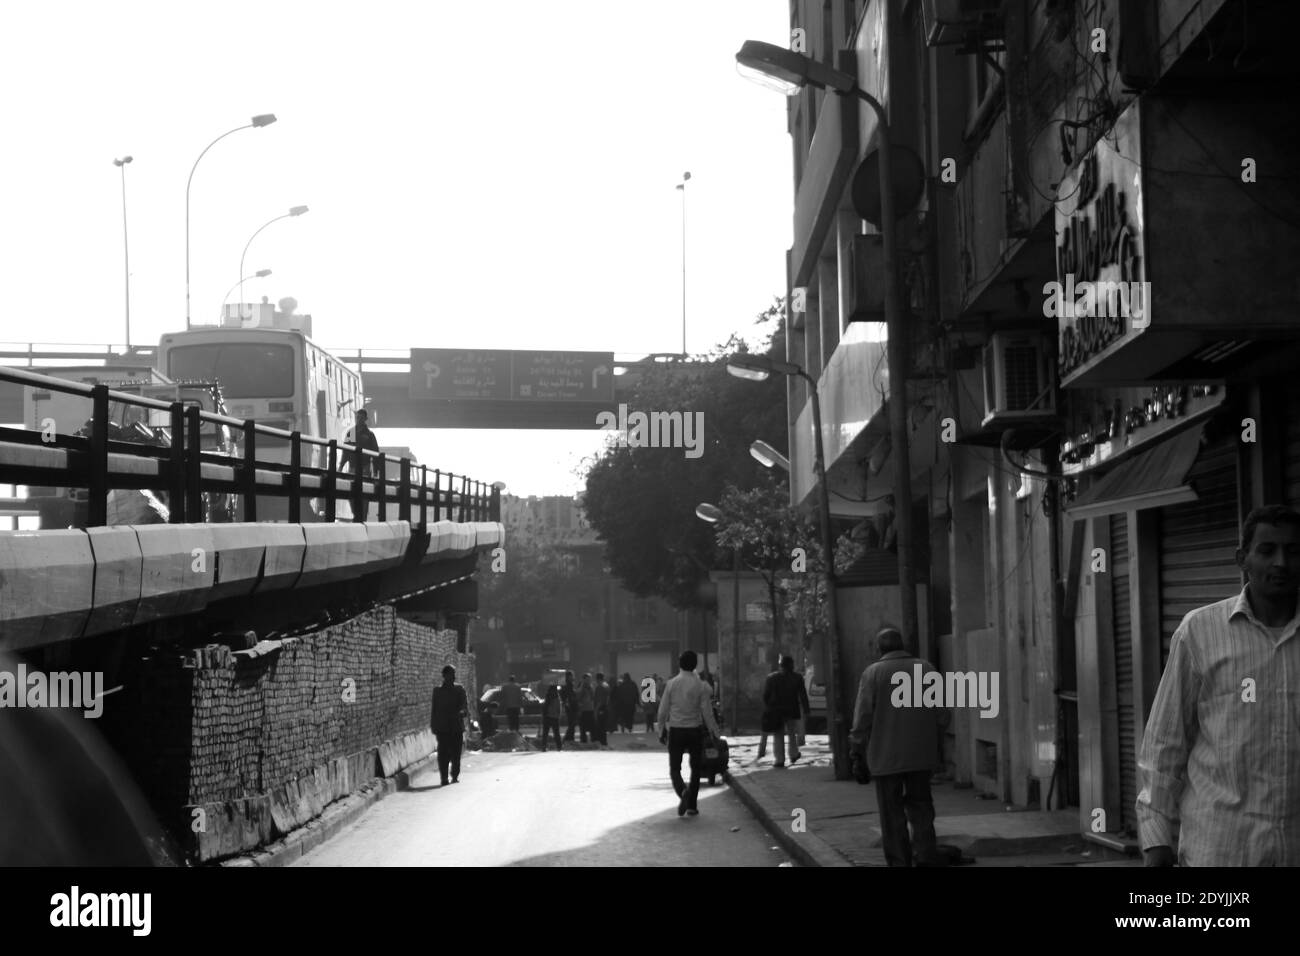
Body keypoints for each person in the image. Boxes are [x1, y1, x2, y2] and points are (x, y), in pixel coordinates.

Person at [1137, 504, 1300, 867]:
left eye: (1293, 551)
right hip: (1222, 850)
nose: (1281, 563)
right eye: (1267, 550)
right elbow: (1164, 745)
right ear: (1242, 558)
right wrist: (1156, 840)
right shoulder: (1199, 631)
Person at [850, 628, 948, 866]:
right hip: (920, 756)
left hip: (886, 758)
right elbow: (943, 715)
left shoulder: (872, 674)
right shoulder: (926, 669)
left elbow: (863, 716)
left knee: (891, 814)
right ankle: (926, 857)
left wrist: (856, 748)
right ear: (903, 645)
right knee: (922, 809)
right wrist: (933, 742)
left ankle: (899, 862)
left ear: (879, 649)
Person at [657, 650, 721, 817]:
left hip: (676, 730)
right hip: (695, 730)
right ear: (695, 665)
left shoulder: (672, 684)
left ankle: (682, 791)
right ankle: (692, 805)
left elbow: (663, 710)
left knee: (675, 768)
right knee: (696, 768)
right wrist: (715, 732)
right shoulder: (700, 685)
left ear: (680, 664)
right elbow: (707, 712)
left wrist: (661, 729)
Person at [762, 655, 811, 767]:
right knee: (791, 733)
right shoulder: (797, 678)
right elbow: (803, 695)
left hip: (776, 711)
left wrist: (768, 708)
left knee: (778, 734)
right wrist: (806, 710)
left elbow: (766, 696)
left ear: (781, 666)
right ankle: (793, 754)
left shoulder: (771, 678)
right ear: (791, 665)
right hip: (791, 709)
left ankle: (779, 760)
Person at [430, 665, 469, 786]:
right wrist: (434, 725)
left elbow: (464, 706)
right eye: (450, 674)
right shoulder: (437, 691)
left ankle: (455, 775)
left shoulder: (460, 690)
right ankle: (444, 777)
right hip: (443, 728)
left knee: (456, 753)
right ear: (444, 676)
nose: (453, 676)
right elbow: (434, 710)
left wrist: (462, 712)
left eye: (453, 674)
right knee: (443, 754)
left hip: (456, 727)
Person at [343, 408, 380, 476]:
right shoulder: (351, 433)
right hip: (352, 467)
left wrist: (375, 471)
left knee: (363, 485)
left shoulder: (369, 435)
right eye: (357, 417)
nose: (359, 420)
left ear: (366, 419)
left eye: (361, 418)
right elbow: (346, 451)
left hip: (365, 467)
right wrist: (341, 466)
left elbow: (375, 454)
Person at [540, 684, 563, 752]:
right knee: (556, 733)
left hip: (547, 717)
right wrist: (559, 716)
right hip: (555, 718)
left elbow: (545, 707)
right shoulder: (557, 697)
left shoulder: (548, 697)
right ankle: (559, 747)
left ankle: (544, 747)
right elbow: (559, 708)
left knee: (545, 733)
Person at [576, 673, 596, 744]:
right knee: (583, 727)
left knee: (592, 726)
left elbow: (593, 697)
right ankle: (583, 741)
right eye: (587, 679)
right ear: (583, 679)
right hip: (583, 710)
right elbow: (578, 697)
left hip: (590, 709)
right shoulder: (581, 687)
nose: (589, 681)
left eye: (590, 679)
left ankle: (593, 740)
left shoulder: (591, 687)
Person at [561, 671, 580, 742]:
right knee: (572, 724)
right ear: (568, 677)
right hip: (570, 707)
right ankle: (567, 739)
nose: (573, 677)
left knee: (572, 724)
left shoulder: (570, 685)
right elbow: (567, 696)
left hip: (572, 706)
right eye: (572, 676)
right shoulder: (567, 685)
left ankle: (570, 739)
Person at [593, 673, 611, 746]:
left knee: (600, 727)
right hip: (605, 708)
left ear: (597, 679)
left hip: (600, 708)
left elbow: (599, 701)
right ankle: (604, 742)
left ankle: (601, 743)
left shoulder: (599, 687)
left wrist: (595, 712)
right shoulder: (606, 685)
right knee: (603, 727)